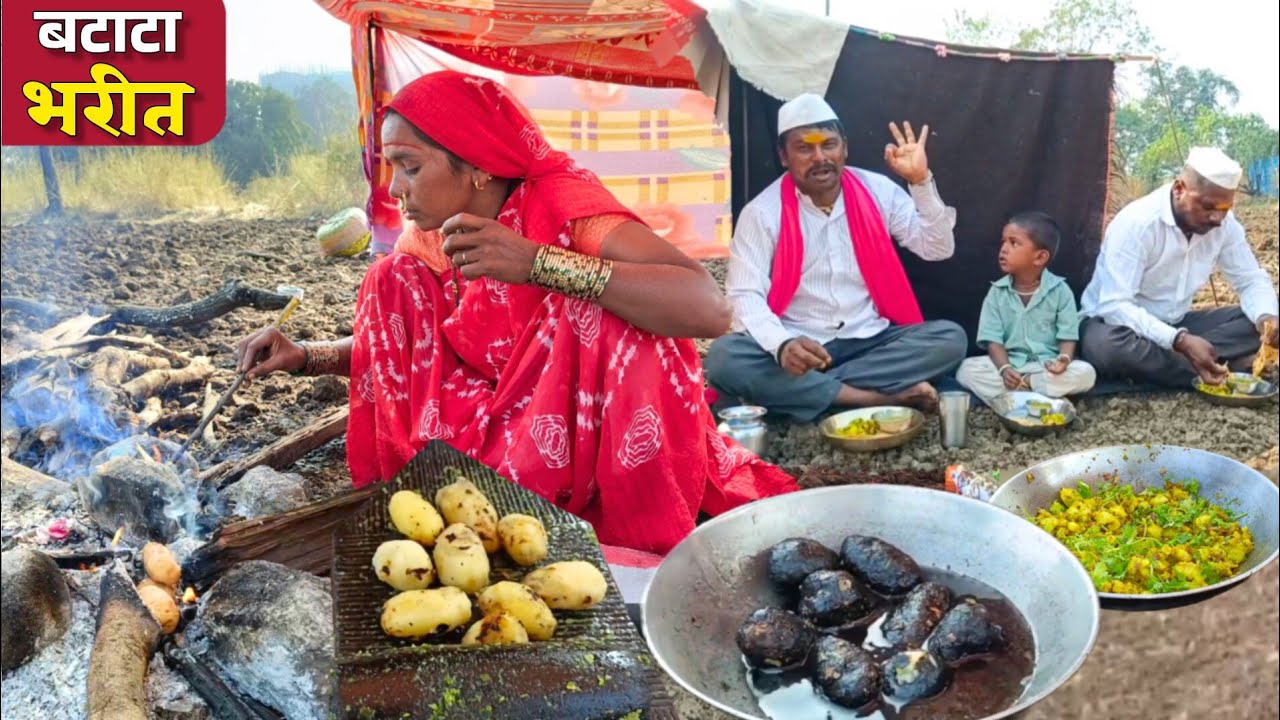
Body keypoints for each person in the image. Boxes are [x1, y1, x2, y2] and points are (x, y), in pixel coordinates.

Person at [235, 70, 798, 555]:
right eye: (390, 168)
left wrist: (538, 263)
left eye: (408, 166)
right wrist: (306, 357)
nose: (395, 190)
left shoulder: (560, 206)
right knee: (390, 280)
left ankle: (620, 520)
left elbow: (709, 309)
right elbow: (413, 353)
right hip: (473, 442)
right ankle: (455, 498)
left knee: (597, 313)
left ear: (476, 164)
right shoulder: (430, 243)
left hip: (575, 448)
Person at [703, 93, 968, 422]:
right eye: (804, 148)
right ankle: (870, 397)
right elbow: (745, 295)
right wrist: (782, 345)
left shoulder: (878, 190)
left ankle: (803, 395)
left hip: (871, 342)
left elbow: (937, 247)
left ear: (845, 148)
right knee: (725, 357)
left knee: (950, 339)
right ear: (784, 156)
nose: (819, 157)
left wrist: (920, 182)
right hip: (801, 347)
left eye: (828, 144)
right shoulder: (761, 214)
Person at [1080, 147, 1279, 386]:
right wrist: (1180, 341)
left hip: (1176, 324)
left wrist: (1267, 319)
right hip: (1119, 327)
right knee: (1106, 347)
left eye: (1225, 209)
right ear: (1179, 189)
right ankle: (1228, 367)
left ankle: (1189, 366)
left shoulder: (1225, 226)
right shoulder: (1137, 223)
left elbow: (1249, 280)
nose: (1217, 218)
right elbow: (1115, 305)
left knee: (1258, 322)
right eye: (1208, 207)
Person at [956, 211, 1096, 405]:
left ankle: (1020, 394)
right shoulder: (996, 293)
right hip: (1010, 365)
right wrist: (1005, 369)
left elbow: (1068, 335)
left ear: (1039, 257)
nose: (1003, 249)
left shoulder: (1061, 291)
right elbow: (993, 341)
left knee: (1086, 373)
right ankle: (1040, 397)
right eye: (1003, 242)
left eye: (1014, 243)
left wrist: (1063, 359)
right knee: (966, 370)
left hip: (1045, 368)